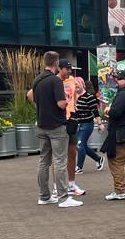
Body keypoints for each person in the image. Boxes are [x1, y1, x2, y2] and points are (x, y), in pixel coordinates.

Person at [28, 51, 82, 208]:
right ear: (57, 63)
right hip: (57, 126)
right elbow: (61, 104)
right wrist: (69, 99)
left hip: (42, 125)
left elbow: (31, 96)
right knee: (59, 162)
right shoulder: (55, 81)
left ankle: (44, 196)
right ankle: (63, 197)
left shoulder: (37, 80)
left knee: (43, 161)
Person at [102, 70, 125, 200]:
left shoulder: (123, 95)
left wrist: (108, 110)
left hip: (120, 132)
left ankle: (120, 190)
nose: (117, 81)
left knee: (116, 160)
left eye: (120, 79)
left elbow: (116, 112)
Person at [60, 66, 84, 198]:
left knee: (72, 152)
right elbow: (31, 94)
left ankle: (71, 184)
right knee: (58, 156)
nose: (69, 71)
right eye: (67, 69)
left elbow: (79, 91)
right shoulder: (54, 81)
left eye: (71, 69)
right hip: (59, 122)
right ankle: (57, 187)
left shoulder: (72, 81)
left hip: (72, 120)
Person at [74, 78, 104, 173]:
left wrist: (100, 124)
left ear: (83, 84)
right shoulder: (73, 97)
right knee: (81, 145)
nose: (76, 85)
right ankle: (98, 159)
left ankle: (79, 167)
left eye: (78, 83)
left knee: (80, 145)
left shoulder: (89, 97)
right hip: (77, 124)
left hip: (87, 124)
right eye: (74, 84)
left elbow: (95, 112)